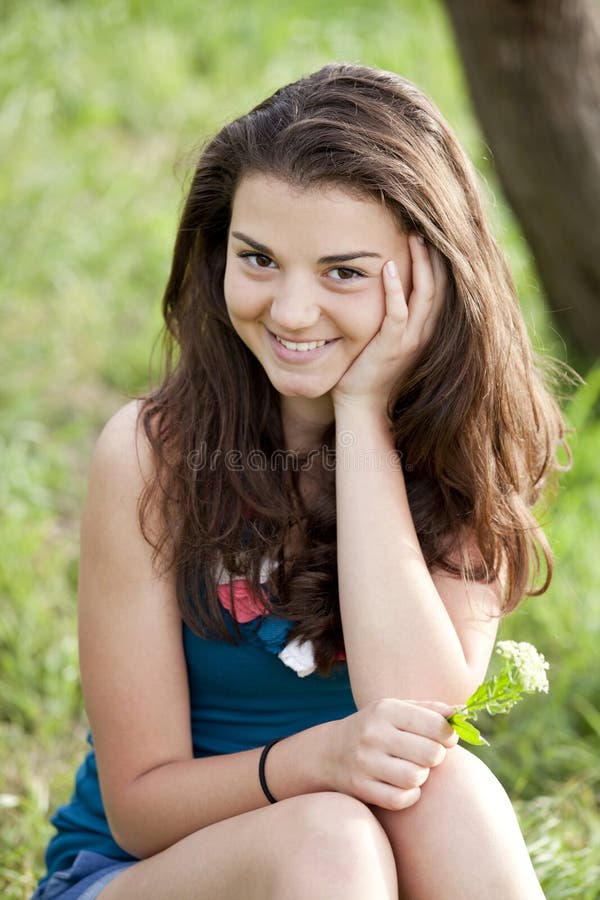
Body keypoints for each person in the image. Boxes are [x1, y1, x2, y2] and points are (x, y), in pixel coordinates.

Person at [31, 62, 567, 899]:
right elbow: (138, 809)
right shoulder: (151, 456)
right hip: (145, 873)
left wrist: (363, 415)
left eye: (343, 271)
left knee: (450, 791)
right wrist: (315, 761)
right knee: (331, 838)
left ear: (430, 280)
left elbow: (421, 705)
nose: (289, 311)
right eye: (258, 259)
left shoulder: (467, 447)